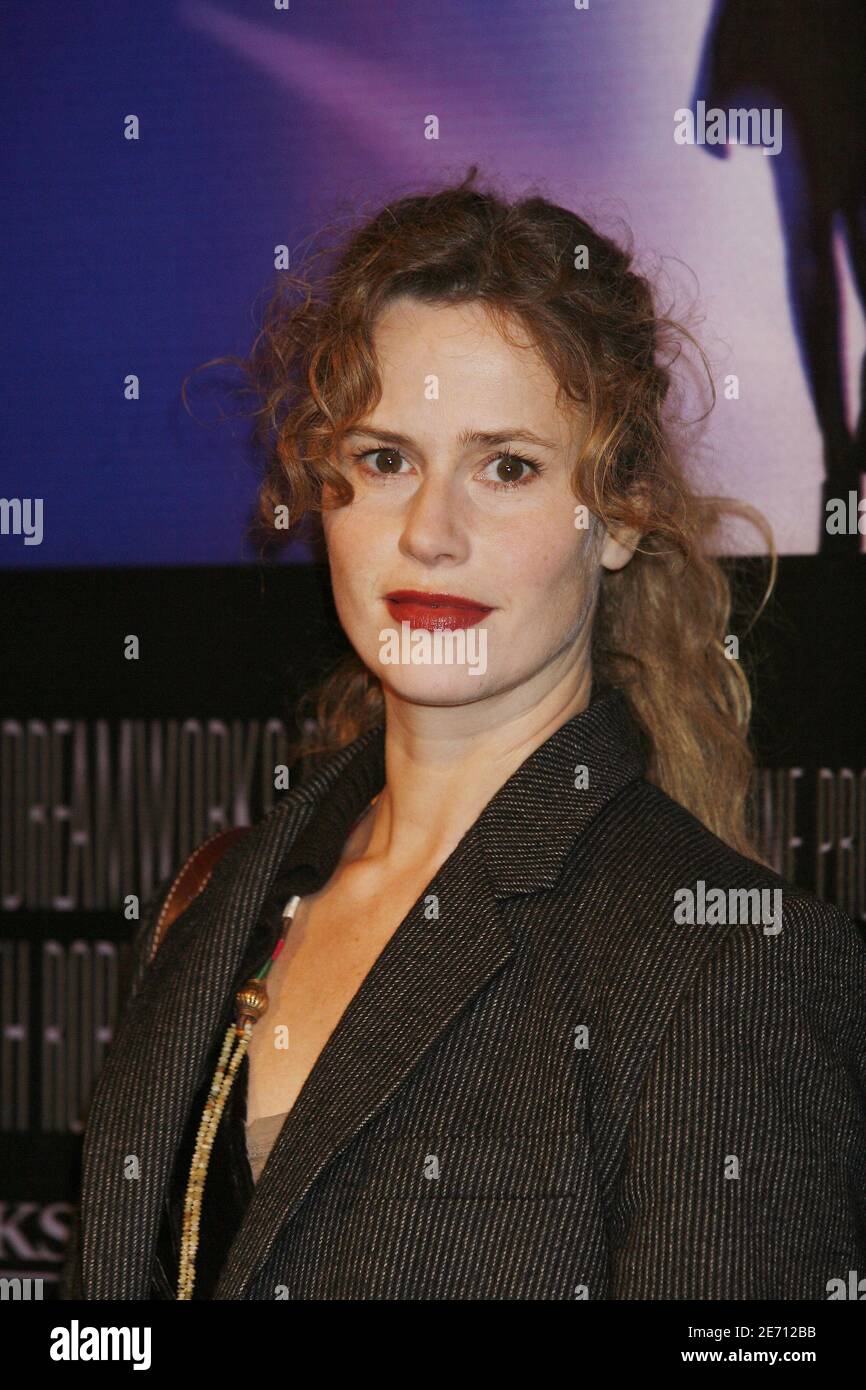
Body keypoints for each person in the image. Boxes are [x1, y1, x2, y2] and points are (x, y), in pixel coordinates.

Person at [62, 167, 866, 1301]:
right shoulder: (216, 906)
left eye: (505, 467)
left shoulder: (733, 971)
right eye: (385, 460)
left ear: (621, 516)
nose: (430, 532)